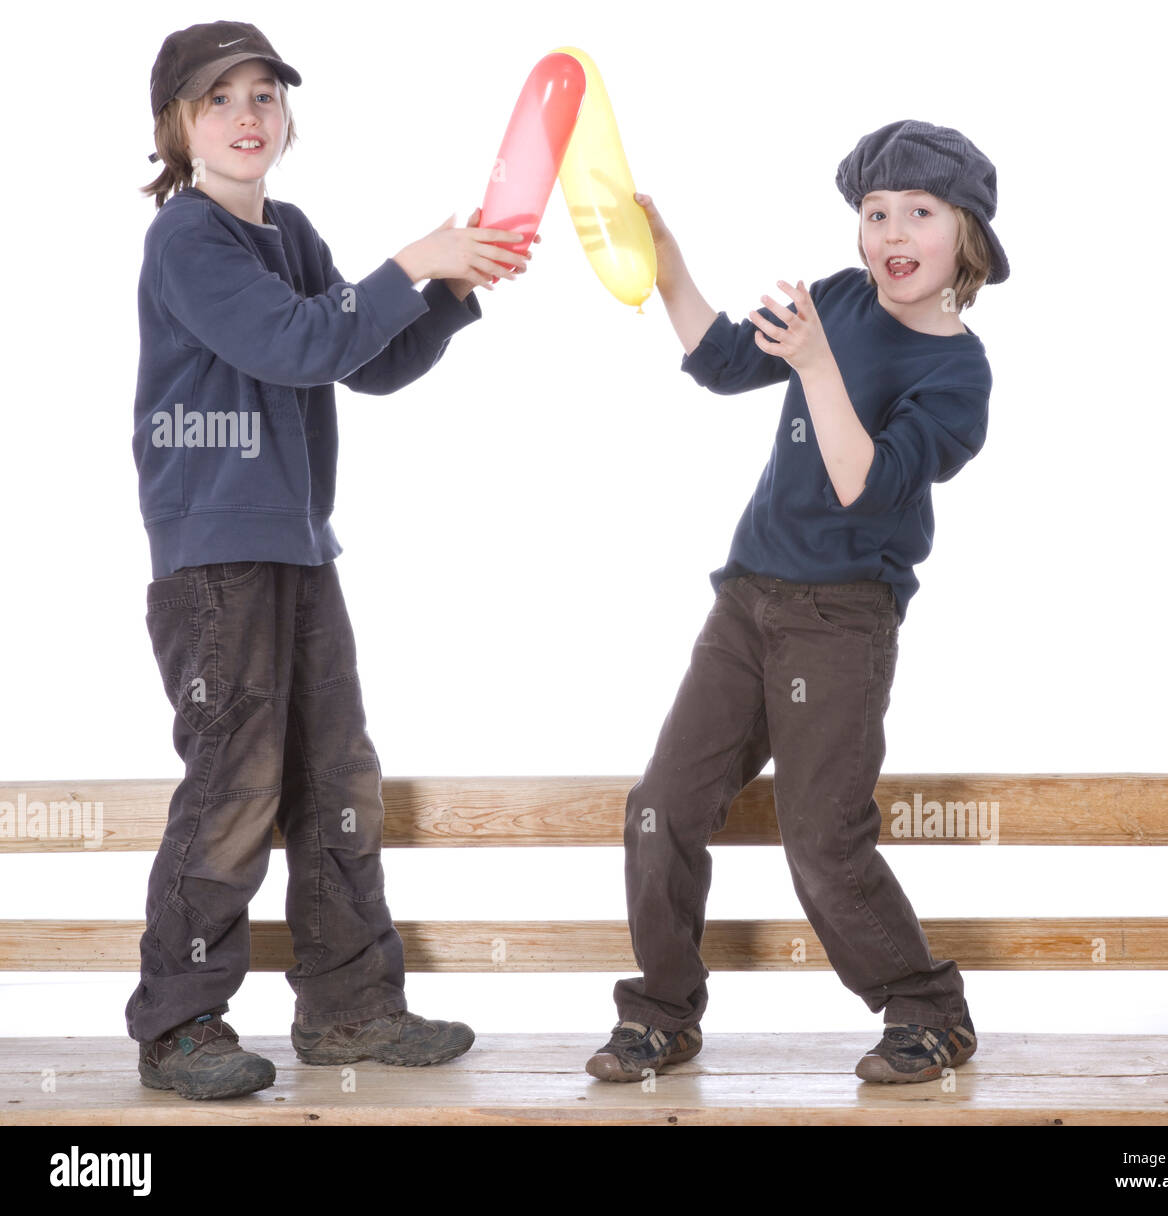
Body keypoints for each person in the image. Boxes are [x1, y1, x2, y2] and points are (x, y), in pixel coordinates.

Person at [127, 20, 536, 1100]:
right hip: (216, 561)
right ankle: (180, 1023)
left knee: (335, 777)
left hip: (301, 550)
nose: (247, 116)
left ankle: (351, 1006)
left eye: (263, 95)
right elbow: (297, 343)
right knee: (234, 782)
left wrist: (453, 284)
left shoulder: (291, 232)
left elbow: (363, 358)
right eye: (220, 99)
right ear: (178, 125)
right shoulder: (186, 239)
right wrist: (413, 260)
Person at [585, 119, 1009, 1085]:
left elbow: (866, 482)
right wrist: (669, 268)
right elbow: (725, 360)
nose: (890, 230)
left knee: (821, 836)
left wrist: (818, 366)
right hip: (747, 605)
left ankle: (927, 1010)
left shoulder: (958, 371)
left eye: (919, 211)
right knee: (659, 808)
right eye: (874, 211)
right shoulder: (843, 301)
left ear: (966, 233)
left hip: (842, 620)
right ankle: (661, 1012)